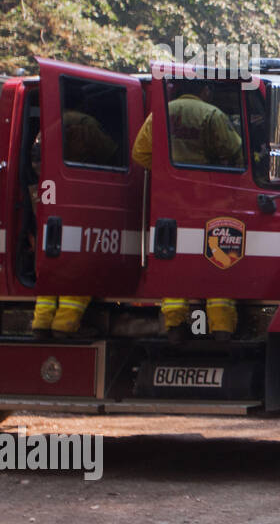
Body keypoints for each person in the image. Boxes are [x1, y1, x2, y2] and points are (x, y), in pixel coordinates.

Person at [131, 83, 243, 341]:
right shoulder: (212, 114)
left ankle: (175, 325)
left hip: (171, 200)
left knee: (175, 260)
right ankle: (221, 328)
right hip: (209, 199)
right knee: (217, 257)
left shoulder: (158, 114)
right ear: (205, 91)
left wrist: (165, 173)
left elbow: (140, 153)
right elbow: (236, 153)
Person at [30, 111, 117, 339]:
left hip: (49, 196)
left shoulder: (49, 124)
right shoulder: (86, 123)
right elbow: (112, 153)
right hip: (78, 194)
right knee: (79, 265)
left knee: (51, 266)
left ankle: (41, 321)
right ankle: (64, 325)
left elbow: (36, 157)